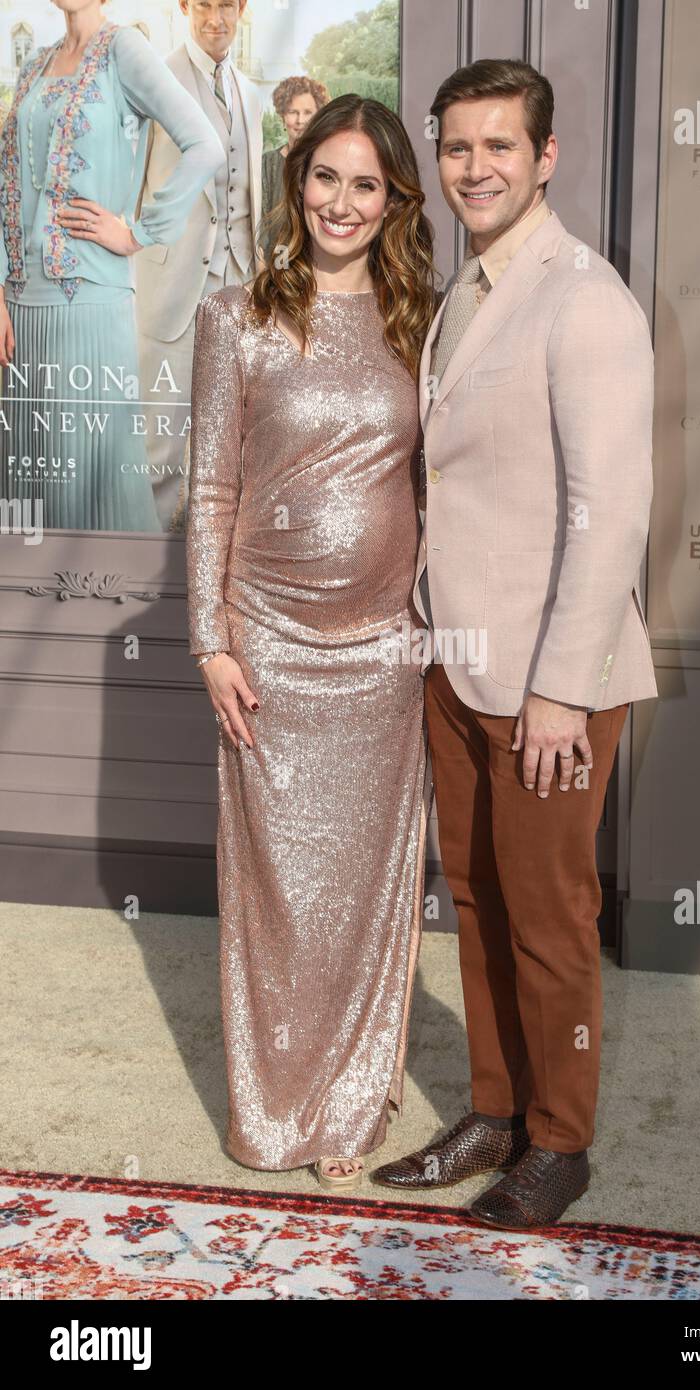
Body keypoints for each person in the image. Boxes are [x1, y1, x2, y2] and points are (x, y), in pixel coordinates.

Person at [371, 59, 658, 1228]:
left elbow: (612, 511)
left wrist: (555, 691)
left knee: (547, 916)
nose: (473, 167)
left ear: (546, 157)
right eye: (455, 148)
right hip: (456, 659)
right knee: (477, 896)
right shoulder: (465, 291)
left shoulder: (583, 299)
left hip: (550, 680)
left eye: (499, 147)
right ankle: (493, 1110)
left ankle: (560, 1141)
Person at [186, 94, 437, 1190]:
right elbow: (209, 489)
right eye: (324, 178)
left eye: (364, 184)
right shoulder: (234, 316)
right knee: (280, 896)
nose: (341, 201)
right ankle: (273, 1108)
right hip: (269, 646)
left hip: (383, 648)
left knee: (362, 889)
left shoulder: (419, 319)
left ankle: (345, 1103)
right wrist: (210, 640)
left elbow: (440, 482)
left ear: (392, 202)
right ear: (297, 185)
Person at [0, 0, 222, 531]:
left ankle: (112, 612)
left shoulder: (125, 49)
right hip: (18, 309)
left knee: (90, 474)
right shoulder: (34, 65)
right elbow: (5, 186)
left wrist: (137, 232)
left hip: (91, 306)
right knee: (25, 480)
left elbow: (204, 145)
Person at [135, 0, 263, 532]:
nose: (216, 18)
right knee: (160, 445)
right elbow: (130, 187)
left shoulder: (251, 94)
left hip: (241, 293)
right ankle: (148, 576)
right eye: (203, 5)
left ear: (242, 10)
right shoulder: (152, 79)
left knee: (229, 442)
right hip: (171, 289)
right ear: (184, 8)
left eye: (226, 5)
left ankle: (210, 572)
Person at [260, 76, 330, 259]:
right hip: (277, 266)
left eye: (308, 112)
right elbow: (260, 225)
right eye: (293, 112)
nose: (300, 120)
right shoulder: (267, 164)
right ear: (283, 116)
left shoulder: (330, 165)